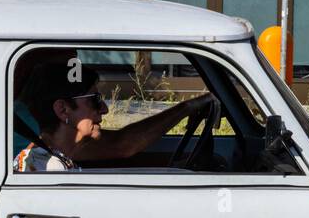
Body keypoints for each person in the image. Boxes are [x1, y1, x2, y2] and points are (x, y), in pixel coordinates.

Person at [13, 61, 214, 172]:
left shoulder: (56, 153)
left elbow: (123, 145)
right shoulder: (47, 167)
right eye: (94, 100)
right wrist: (187, 107)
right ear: (63, 110)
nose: (105, 109)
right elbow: (122, 145)